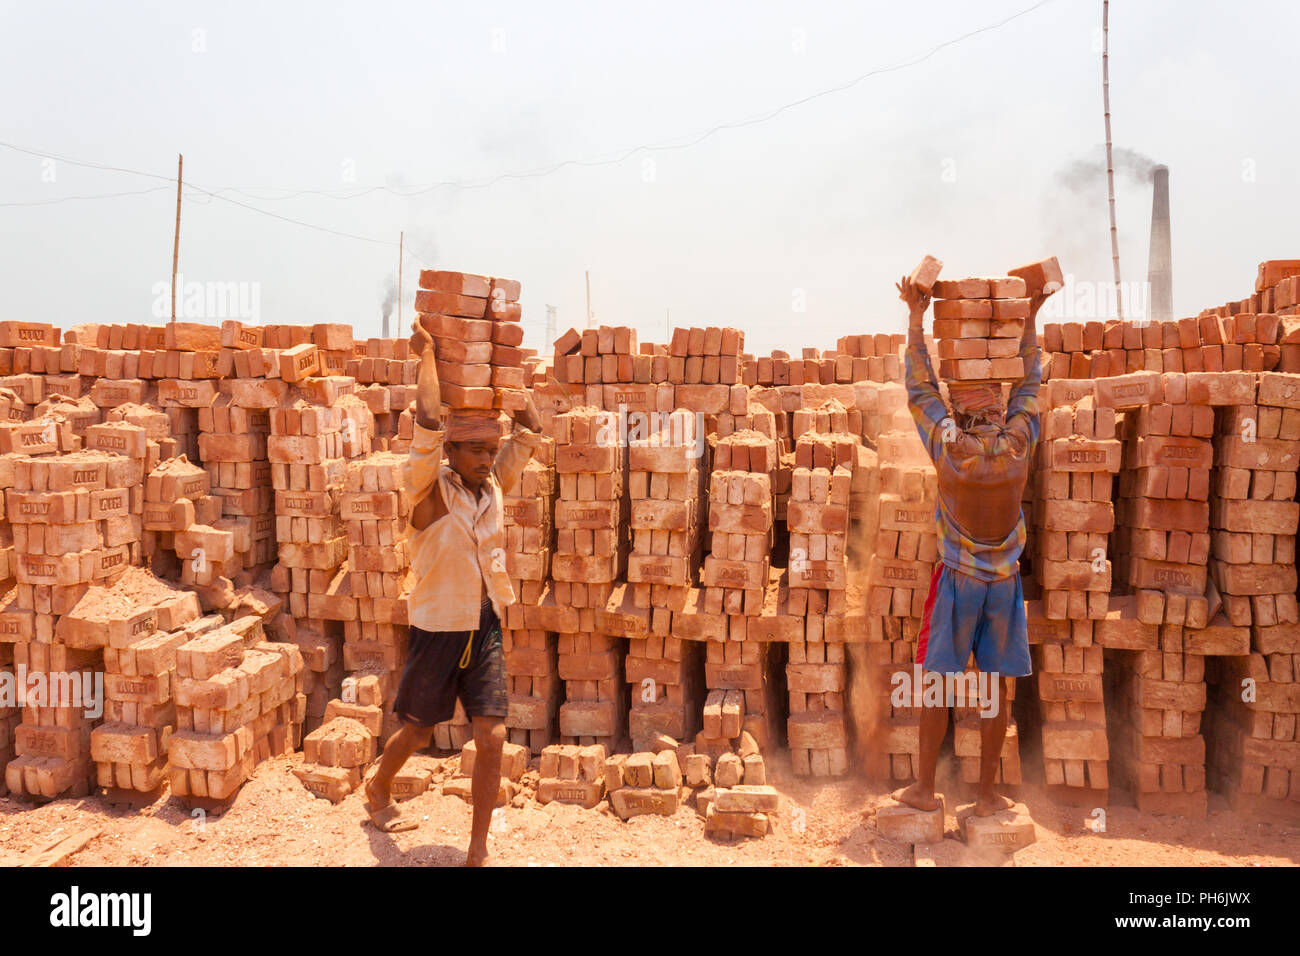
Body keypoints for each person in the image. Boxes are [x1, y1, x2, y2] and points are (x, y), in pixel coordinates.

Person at [364, 318, 543, 866]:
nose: (488, 462)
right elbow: (425, 419)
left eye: (492, 453)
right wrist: (428, 356)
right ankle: (378, 786)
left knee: (491, 736)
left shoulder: (494, 488)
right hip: (437, 627)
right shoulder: (427, 486)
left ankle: (477, 848)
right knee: (417, 733)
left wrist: (510, 378)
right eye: (477, 454)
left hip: (484, 623)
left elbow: (530, 434)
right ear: (452, 453)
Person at [893, 274, 1050, 816]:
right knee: (997, 688)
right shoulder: (1018, 443)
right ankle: (985, 795)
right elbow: (1032, 385)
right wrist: (1027, 319)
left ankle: (923, 789)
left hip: (959, 581)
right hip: (1004, 584)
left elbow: (919, 391)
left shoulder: (949, 447)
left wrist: (916, 318)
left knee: (938, 681)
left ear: (960, 410)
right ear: (997, 408)